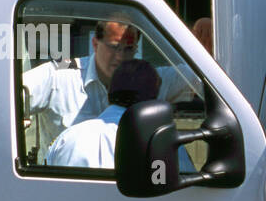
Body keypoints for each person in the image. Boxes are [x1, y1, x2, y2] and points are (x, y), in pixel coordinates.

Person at [45, 59, 195, 173]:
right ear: (154, 98)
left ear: (109, 91)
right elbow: (183, 195)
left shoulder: (67, 138)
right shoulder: (162, 144)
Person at [22, 18, 140, 157]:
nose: (120, 56)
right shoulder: (59, 76)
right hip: (61, 176)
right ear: (95, 44)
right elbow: (4, 99)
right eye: (114, 47)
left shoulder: (144, 82)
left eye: (129, 49)